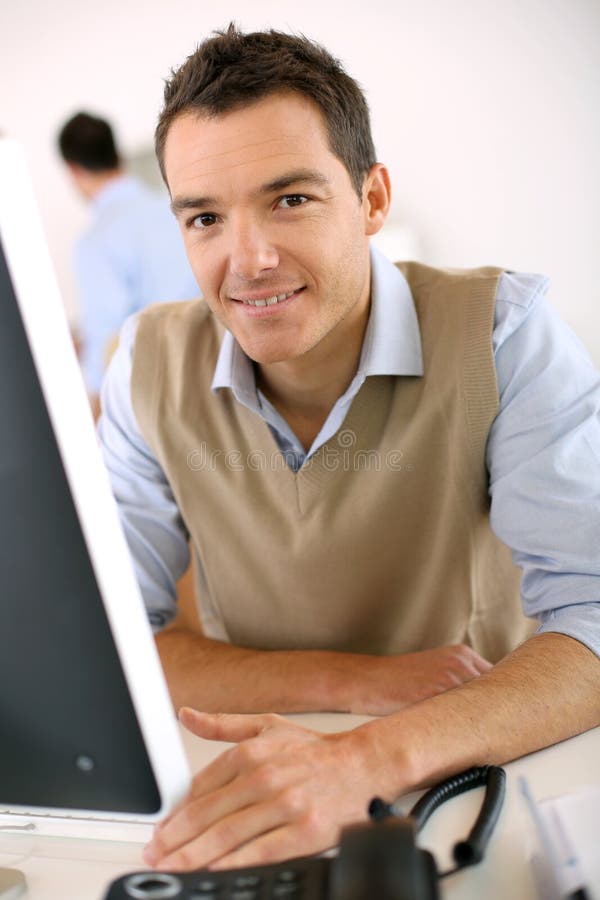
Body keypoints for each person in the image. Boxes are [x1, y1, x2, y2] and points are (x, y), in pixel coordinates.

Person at [97, 25, 600, 872]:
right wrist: (350, 683)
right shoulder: (145, 365)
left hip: (480, 775)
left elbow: (593, 615)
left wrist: (363, 760)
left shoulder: (504, 333)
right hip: (265, 772)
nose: (248, 260)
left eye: (290, 200)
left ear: (372, 199)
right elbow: (120, 645)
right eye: (206, 218)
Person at [57, 111, 198, 417]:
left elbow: (106, 343)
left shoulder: (96, 241)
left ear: (73, 170)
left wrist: (95, 419)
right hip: (217, 368)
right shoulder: (175, 208)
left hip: (161, 399)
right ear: (116, 154)